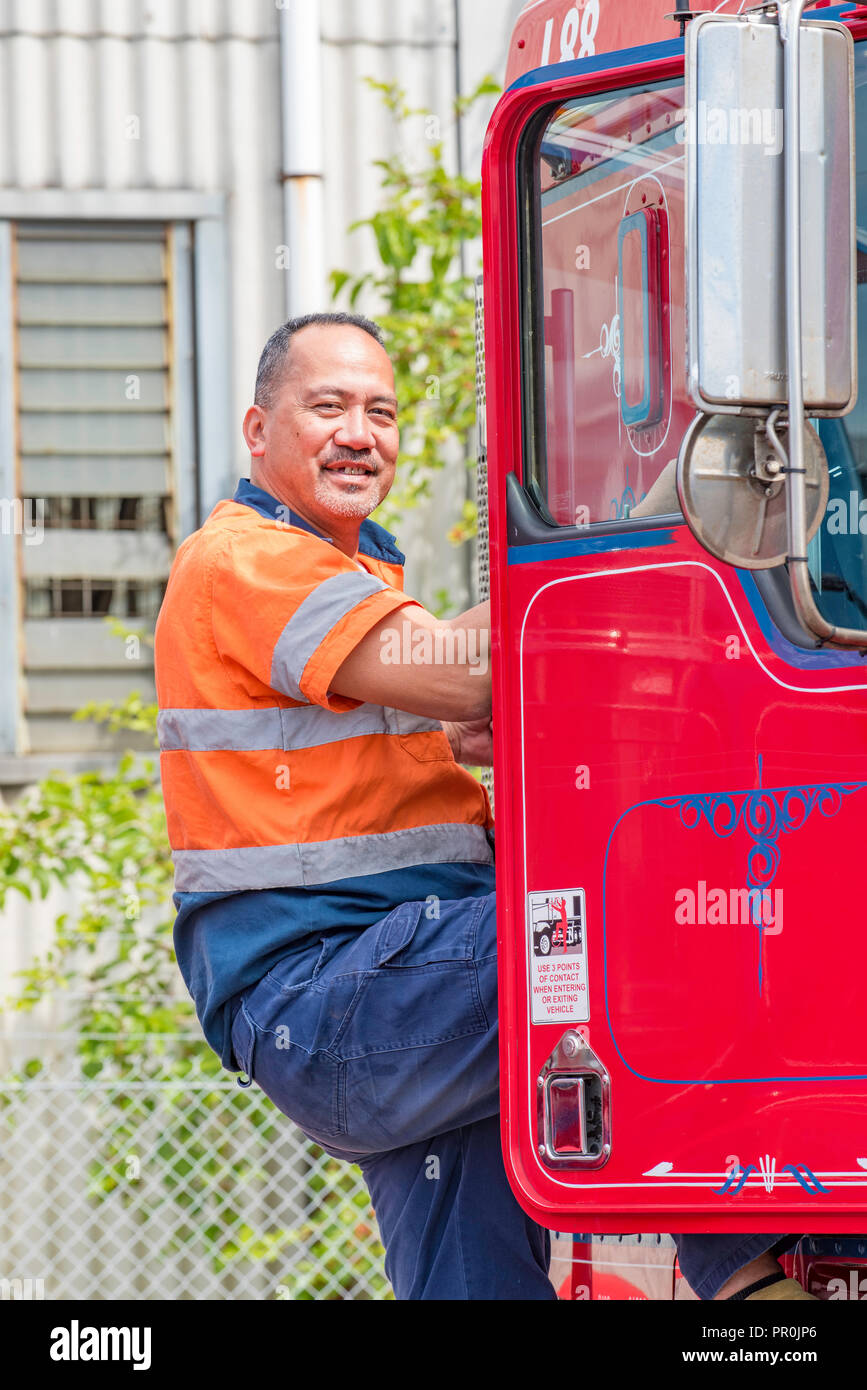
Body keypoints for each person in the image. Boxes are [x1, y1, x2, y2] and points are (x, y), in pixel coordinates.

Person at [154, 311, 812, 1301]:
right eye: (326, 406)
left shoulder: (351, 579)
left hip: (406, 997)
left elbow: (468, 694)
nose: (358, 431)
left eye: (380, 410)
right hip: (348, 993)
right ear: (258, 431)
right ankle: (755, 1290)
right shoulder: (246, 560)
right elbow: (464, 673)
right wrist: (674, 529)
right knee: (655, 933)